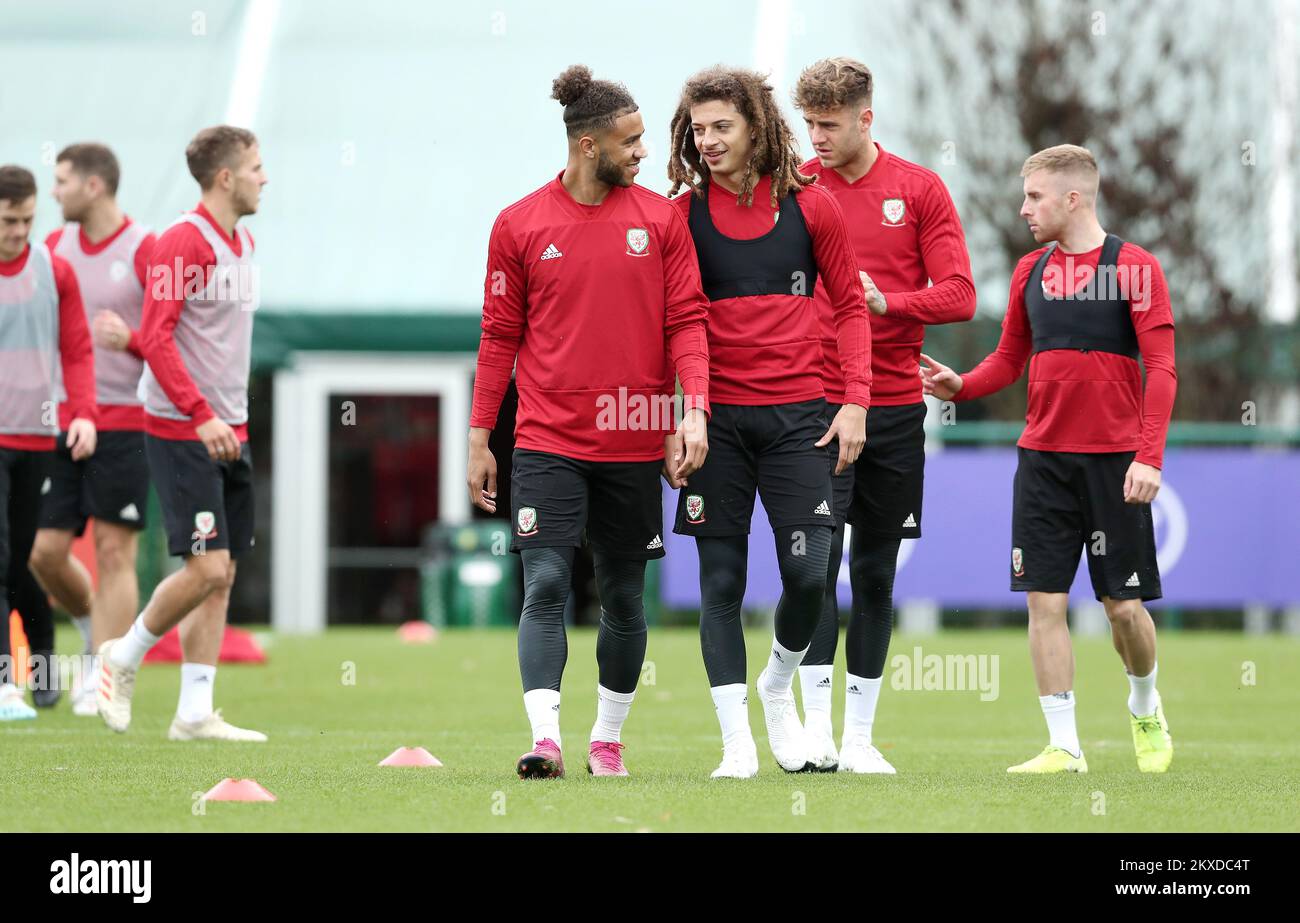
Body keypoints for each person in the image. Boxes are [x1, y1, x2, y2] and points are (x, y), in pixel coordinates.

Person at [468, 65, 710, 779]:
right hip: (545, 441)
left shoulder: (662, 221)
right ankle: (545, 739)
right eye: (630, 140)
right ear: (586, 145)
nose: (643, 153)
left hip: (635, 439)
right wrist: (482, 437)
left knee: (624, 594)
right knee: (544, 583)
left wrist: (689, 409)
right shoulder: (518, 224)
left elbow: (688, 324)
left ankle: (606, 739)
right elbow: (498, 337)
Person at [920, 144, 1177, 773]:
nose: (1023, 208)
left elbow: (1163, 369)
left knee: (1123, 608)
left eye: (1034, 196)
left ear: (1073, 198)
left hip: (1115, 464)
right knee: (1045, 603)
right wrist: (964, 385)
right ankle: (1065, 747)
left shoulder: (1134, 267)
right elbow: (1009, 359)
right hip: (1041, 461)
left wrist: (1149, 458)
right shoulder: (1028, 270)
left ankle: (1145, 704)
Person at [666, 66, 870, 778]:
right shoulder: (681, 216)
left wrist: (854, 400)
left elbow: (849, 307)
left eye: (722, 125)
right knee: (720, 581)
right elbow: (677, 322)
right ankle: (736, 743)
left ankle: (778, 683)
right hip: (714, 425)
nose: (708, 140)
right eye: (698, 128)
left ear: (756, 124)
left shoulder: (811, 208)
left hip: (798, 421)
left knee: (809, 573)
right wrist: (682, 412)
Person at [793, 57, 977, 773]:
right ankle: (812, 729)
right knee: (813, 565)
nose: (816, 138)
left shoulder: (919, 189)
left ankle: (860, 737)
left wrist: (887, 303)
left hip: (897, 408)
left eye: (829, 125)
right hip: (814, 401)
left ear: (867, 118)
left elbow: (961, 294)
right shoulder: (796, 188)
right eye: (807, 124)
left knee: (873, 572)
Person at [97, 126, 267, 742]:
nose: (264, 177)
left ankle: (194, 711)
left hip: (228, 430)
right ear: (225, 177)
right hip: (182, 430)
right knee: (204, 567)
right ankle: (121, 656)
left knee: (221, 574)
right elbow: (159, 335)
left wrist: (224, 419)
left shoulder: (243, 241)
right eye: (255, 166)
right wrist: (200, 413)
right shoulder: (181, 243)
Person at [30, 143, 155, 717]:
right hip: (57, 418)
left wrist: (130, 340)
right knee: (43, 552)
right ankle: (89, 634)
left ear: (94, 186)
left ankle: (104, 678)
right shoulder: (52, 249)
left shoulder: (145, 249)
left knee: (113, 551)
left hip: (126, 421)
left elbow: (173, 336)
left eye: (61, 181)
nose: (52, 193)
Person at [0, 164, 97, 720]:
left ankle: (40, 664)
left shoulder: (54, 272)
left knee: (19, 568)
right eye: (9, 221)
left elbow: (78, 351)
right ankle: (6, 684)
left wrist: (84, 413)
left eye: (27, 220)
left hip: (37, 436)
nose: (19, 231)